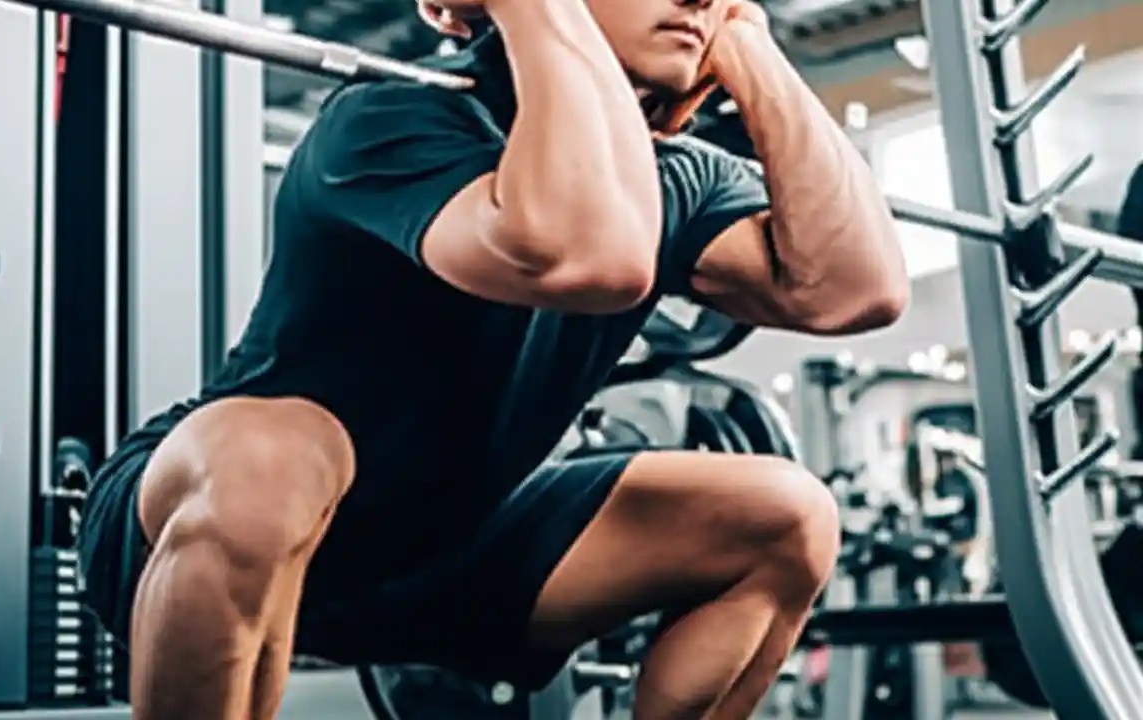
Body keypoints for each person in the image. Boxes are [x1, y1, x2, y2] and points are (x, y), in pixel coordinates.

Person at [76, 0, 908, 718]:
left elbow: (855, 288)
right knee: (273, 458)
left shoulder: (677, 177)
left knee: (787, 516)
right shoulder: (392, 114)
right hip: (228, 520)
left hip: (448, 548)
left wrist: (752, 49)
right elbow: (589, 257)